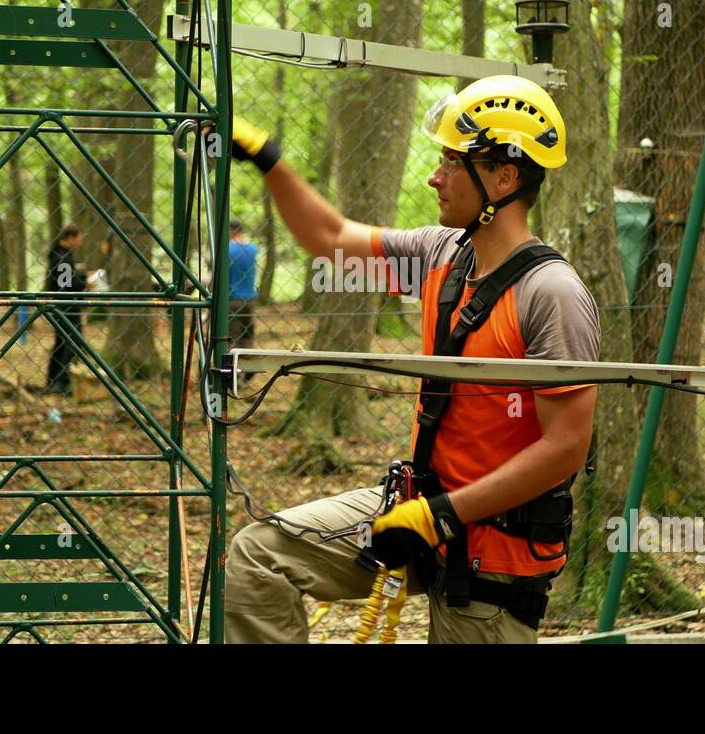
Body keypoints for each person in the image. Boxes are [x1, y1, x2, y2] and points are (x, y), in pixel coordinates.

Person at [224, 75, 601, 643]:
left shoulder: (553, 295)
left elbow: (566, 447)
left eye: (452, 161)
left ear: (504, 177)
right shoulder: (440, 253)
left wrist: (440, 516)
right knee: (259, 557)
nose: (435, 176)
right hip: (416, 510)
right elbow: (329, 238)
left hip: (491, 556)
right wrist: (267, 158)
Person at [43, 223, 90, 396]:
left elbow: (65, 278)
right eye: (80, 237)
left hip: (62, 305)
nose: (81, 240)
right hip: (66, 306)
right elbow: (66, 285)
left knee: (61, 343)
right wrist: (86, 281)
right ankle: (62, 382)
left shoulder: (60, 255)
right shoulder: (62, 257)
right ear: (71, 237)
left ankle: (52, 380)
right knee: (70, 342)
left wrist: (82, 275)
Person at [227, 218, 259, 381]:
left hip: (231, 299)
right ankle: (249, 367)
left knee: (231, 337)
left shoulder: (226, 249)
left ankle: (234, 372)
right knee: (247, 335)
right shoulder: (252, 248)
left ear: (231, 230)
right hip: (249, 299)